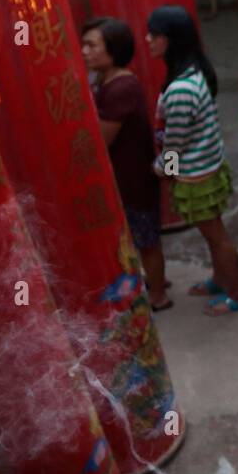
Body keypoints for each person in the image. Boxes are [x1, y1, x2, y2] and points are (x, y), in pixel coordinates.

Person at [146, 5, 238, 314]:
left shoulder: (180, 88)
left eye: (155, 34)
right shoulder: (194, 70)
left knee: (217, 237)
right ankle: (220, 279)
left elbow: (175, 143)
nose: (148, 39)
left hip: (197, 177)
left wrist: (163, 170)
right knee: (212, 234)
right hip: (207, 166)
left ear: (171, 40)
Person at [83, 16, 169, 311]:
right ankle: (152, 283)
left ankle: (158, 294)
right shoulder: (106, 79)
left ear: (114, 49)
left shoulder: (121, 88)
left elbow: (102, 139)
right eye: (84, 44)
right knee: (139, 237)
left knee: (147, 240)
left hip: (134, 178)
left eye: (93, 46)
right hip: (126, 176)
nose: (85, 51)